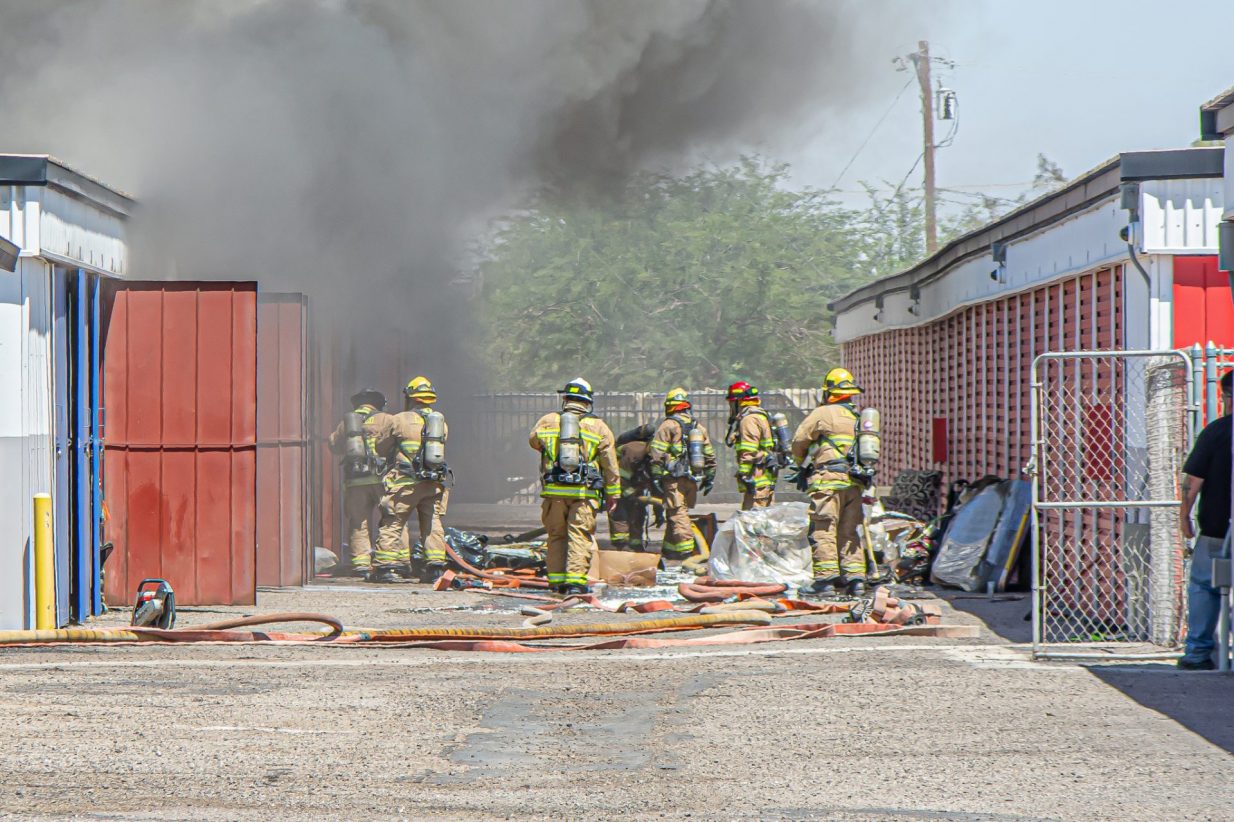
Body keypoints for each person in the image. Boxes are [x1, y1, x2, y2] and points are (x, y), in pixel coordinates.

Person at [529, 378, 621, 594]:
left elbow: (533, 441)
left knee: (556, 535)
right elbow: (610, 464)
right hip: (583, 492)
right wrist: (613, 493)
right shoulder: (599, 426)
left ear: (566, 399)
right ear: (587, 402)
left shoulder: (547, 420)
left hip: (554, 493)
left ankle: (556, 582)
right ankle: (575, 583)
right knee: (579, 536)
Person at [791, 368, 867, 598]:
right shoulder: (858, 417)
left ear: (828, 391)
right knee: (849, 531)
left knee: (824, 528)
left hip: (828, 481)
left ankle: (825, 581)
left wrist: (801, 465)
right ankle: (855, 580)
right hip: (854, 483)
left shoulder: (822, 413)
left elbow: (799, 440)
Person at [372, 376, 451, 584]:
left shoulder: (398, 420)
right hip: (432, 483)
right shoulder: (440, 423)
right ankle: (435, 568)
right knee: (432, 524)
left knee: (393, 522)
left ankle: (386, 567)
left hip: (405, 483)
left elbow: (381, 447)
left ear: (410, 397)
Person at [1178, 369, 1232, 671]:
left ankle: (1198, 652)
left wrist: (1183, 516)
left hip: (1217, 529)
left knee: (1204, 586)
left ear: (1227, 397)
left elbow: (1194, 480)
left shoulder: (1216, 432)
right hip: (1218, 529)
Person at [327, 388, 393, 577]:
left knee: (358, 522)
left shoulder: (347, 422)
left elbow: (333, 445)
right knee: (391, 519)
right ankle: (390, 561)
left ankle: (361, 564)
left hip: (356, 481)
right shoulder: (387, 419)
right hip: (382, 480)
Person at [648, 388, 717, 559]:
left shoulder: (668, 425)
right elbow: (709, 453)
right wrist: (710, 475)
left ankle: (688, 552)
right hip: (693, 478)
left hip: (673, 479)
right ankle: (670, 550)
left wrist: (655, 475)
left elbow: (656, 452)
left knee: (677, 513)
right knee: (678, 511)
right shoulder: (698, 427)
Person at [724, 381, 778, 510]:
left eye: (732, 403)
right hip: (763, 476)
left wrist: (744, 473)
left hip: (756, 476)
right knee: (763, 515)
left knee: (753, 517)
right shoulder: (760, 415)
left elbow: (749, 449)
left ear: (738, 401)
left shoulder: (749, 420)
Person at [609, 424, 657, 551]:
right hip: (616, 479)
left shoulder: (655, 457)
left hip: (634, 480)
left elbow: (655, 482)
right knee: (620, 510)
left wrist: (658, 509)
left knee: (638, 510)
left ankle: (636, 544)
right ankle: (620, 546)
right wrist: (630, 494)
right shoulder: (634, 451)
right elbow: (620, 476)